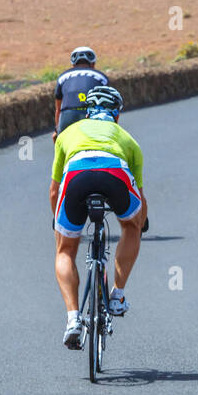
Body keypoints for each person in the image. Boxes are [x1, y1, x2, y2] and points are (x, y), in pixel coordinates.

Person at [50, 85, 146, 348]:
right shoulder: (127, 139)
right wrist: (140, 223)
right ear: (116, 114)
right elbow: (140, 194)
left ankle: (72, 319)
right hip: (115, 174)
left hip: (76, 176)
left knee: (66, 250)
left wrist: (58, 225)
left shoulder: (67, 134)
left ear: (87, 113)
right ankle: (117, 296)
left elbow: (54, 189)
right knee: (130, 226)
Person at [53, 46, 110, 138]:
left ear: (73, 65)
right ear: (93, 64)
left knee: (59, 141)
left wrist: (57, 130)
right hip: (91, 114)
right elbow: (108, 106)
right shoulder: (101, 77)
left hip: (68, 115)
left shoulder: (62, 77)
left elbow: (58, 109)